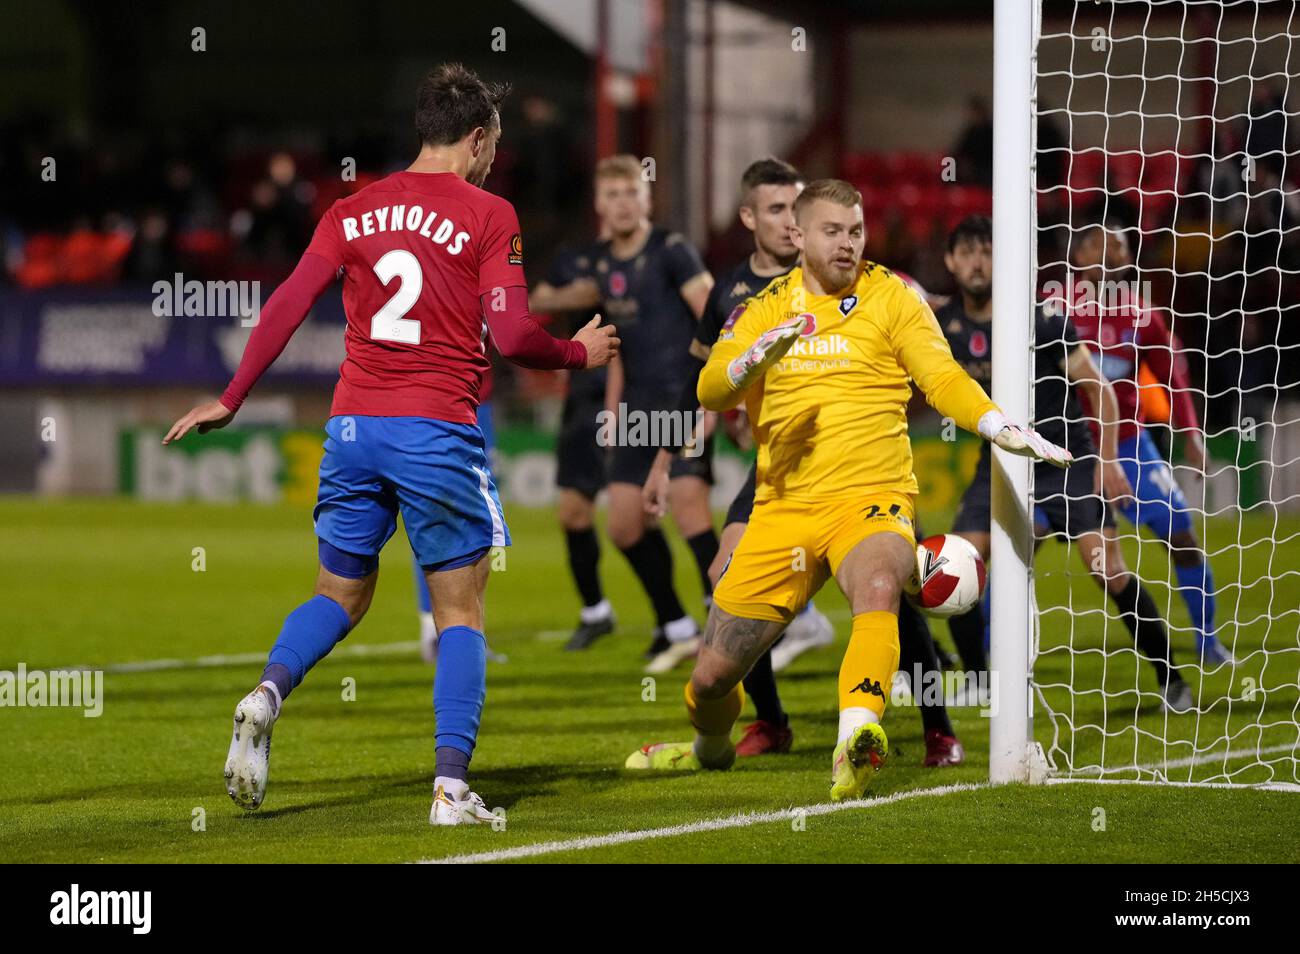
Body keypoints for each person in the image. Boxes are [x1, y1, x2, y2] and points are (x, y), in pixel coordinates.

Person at [164, 63, 618, 825]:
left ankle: (267, 691)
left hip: (350, 429)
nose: (494, 159)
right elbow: (511, 336)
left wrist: (233, 396)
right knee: (462, 612)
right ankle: (449, 789)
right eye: (493, 144)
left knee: (338, 593)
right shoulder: (488, 213)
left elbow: (286, 303)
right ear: (476, 138)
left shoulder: (352, 209)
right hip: (435, 427)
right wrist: (579, 354)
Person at [625, 182, 1068, 799]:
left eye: (856, 230)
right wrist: (752, 360)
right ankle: (710, 747)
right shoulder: (764, 306)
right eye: (833, 231)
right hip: (782, 509)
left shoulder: (893, 295)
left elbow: (940, 377)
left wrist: (994, 423)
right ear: (799, 236)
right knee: (710, 679)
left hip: (873, 496)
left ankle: (855, 739)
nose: (848, 243)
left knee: (882, 586)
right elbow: (709, 391)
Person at [940, 215, 1193, 711]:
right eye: (967, 251)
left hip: (1066, 460)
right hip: (1000, 463)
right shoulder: (944, 322)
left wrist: (1106, 460)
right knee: (958, 565)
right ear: (950, 261)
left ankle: (1172, 680)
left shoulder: (1040, 318)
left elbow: (1098, 388)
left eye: (987, 251)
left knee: (1107, 570)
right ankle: (978, 678)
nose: (977, 261)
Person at [530, 155, 717, 673]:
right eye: (612, 195)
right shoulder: (603, 265)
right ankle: (677, 625)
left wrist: (716, 400)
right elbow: (615, 351)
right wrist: (612, 415)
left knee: (687, 507)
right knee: (625, 528)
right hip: (635, 409)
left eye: (631, 192)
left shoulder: (672, 251)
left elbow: (716, 323)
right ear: (598, 204)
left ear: (647, 198)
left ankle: (724, 625)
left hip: (682, 400)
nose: (622, 203)